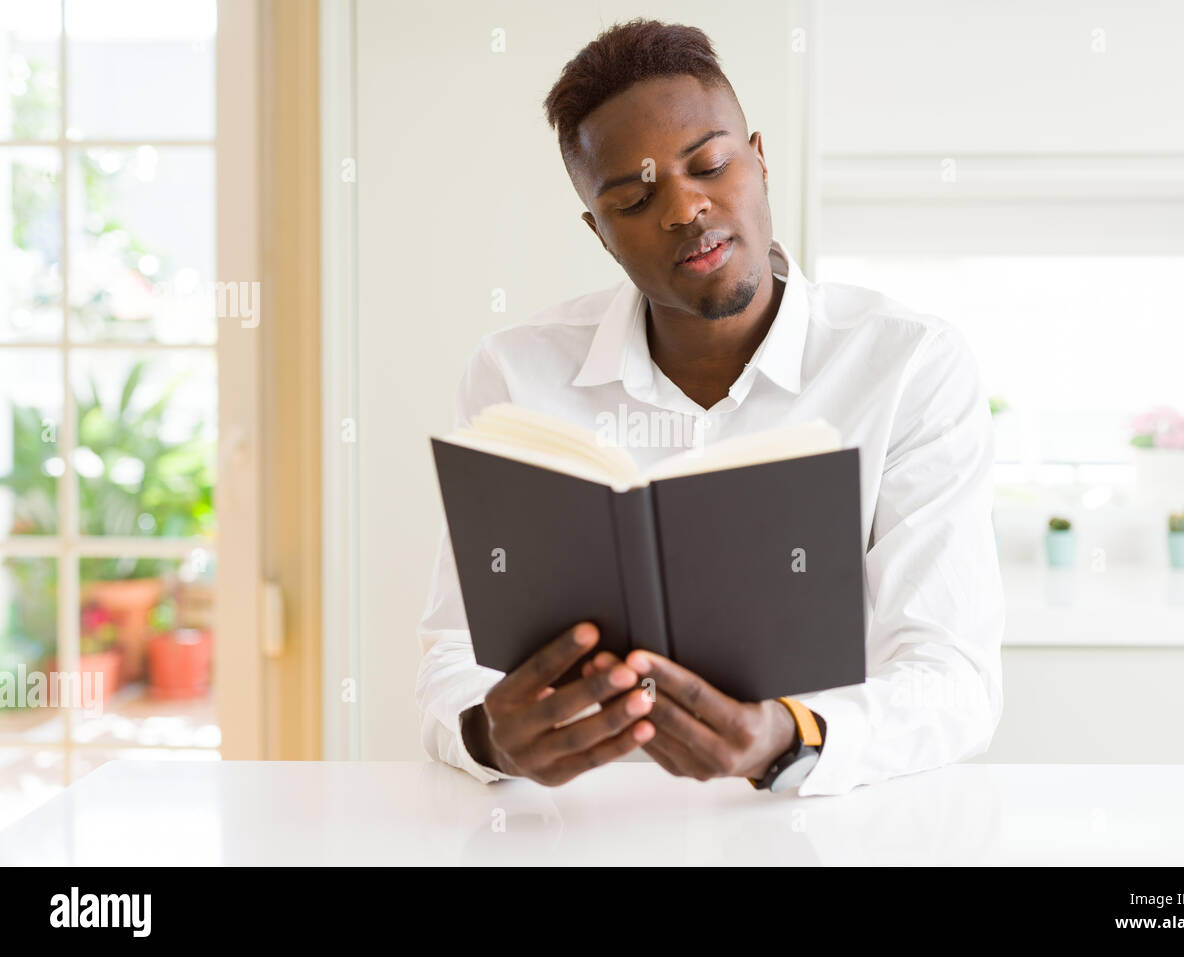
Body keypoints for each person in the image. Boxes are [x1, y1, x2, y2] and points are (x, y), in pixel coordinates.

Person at [417, 19, 1004, 796]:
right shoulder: (514, 375)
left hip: (818, 817)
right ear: (601, 233)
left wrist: (786, 738)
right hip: (583, 830)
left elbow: (953, 676)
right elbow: (454, 652)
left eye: (711, 165)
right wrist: (490, 735)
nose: (685, 208)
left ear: (759, 160)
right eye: (634, 196)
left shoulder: (907, 364)